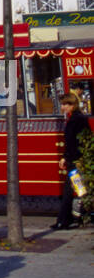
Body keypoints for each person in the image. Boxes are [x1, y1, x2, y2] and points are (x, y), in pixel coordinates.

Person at [53, 92, 90, 229]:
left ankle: (65, 220)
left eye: (64, 104)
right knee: (78, 189)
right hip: (76, 159)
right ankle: (78, 216)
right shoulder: (78, 118)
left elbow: (72, 142)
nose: (62, 107)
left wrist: (66, 157)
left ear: (72, 105)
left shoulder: (75, 120)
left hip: (75, 161)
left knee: (70, 190)